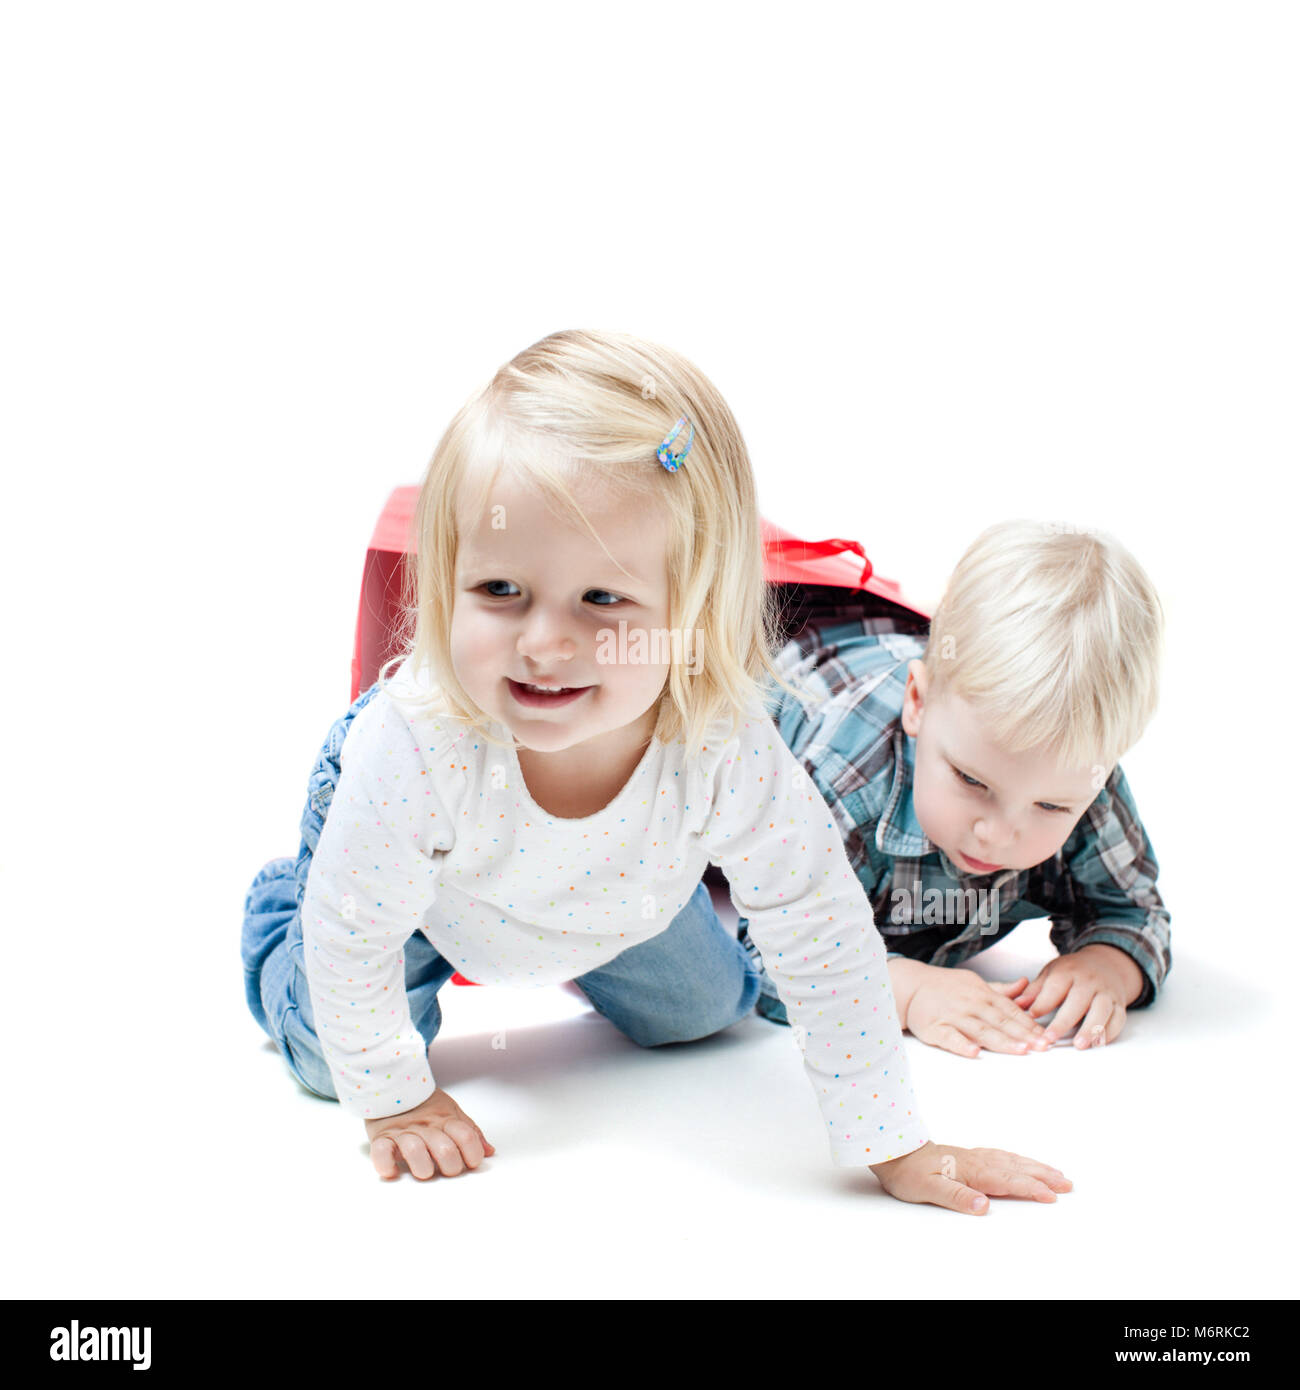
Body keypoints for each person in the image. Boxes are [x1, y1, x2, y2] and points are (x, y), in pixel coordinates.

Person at [241, 329, 1071, 1214]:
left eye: (602, 599)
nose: (544, 644)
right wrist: (395, 1097)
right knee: (339, 1058)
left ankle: (578, 924)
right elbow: (356, 940)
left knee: (705, 1013)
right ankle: (286, 909)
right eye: (498, 590)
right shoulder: (414, 741)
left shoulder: (719, 739)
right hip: (425, 889)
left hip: (614, 886)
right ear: (449, 576)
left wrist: (894, 1145)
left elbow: (819, 927)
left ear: (692, 614)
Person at [740, 520, 1169, 1062]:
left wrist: (1107, 963)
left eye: (1050, 807)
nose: (998, 833)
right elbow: (766, 955)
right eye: (972, 781)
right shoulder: (846, 776)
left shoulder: (1079, 774)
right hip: (782, 645)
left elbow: (1134, 911)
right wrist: (906, 991)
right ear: (916, 703)